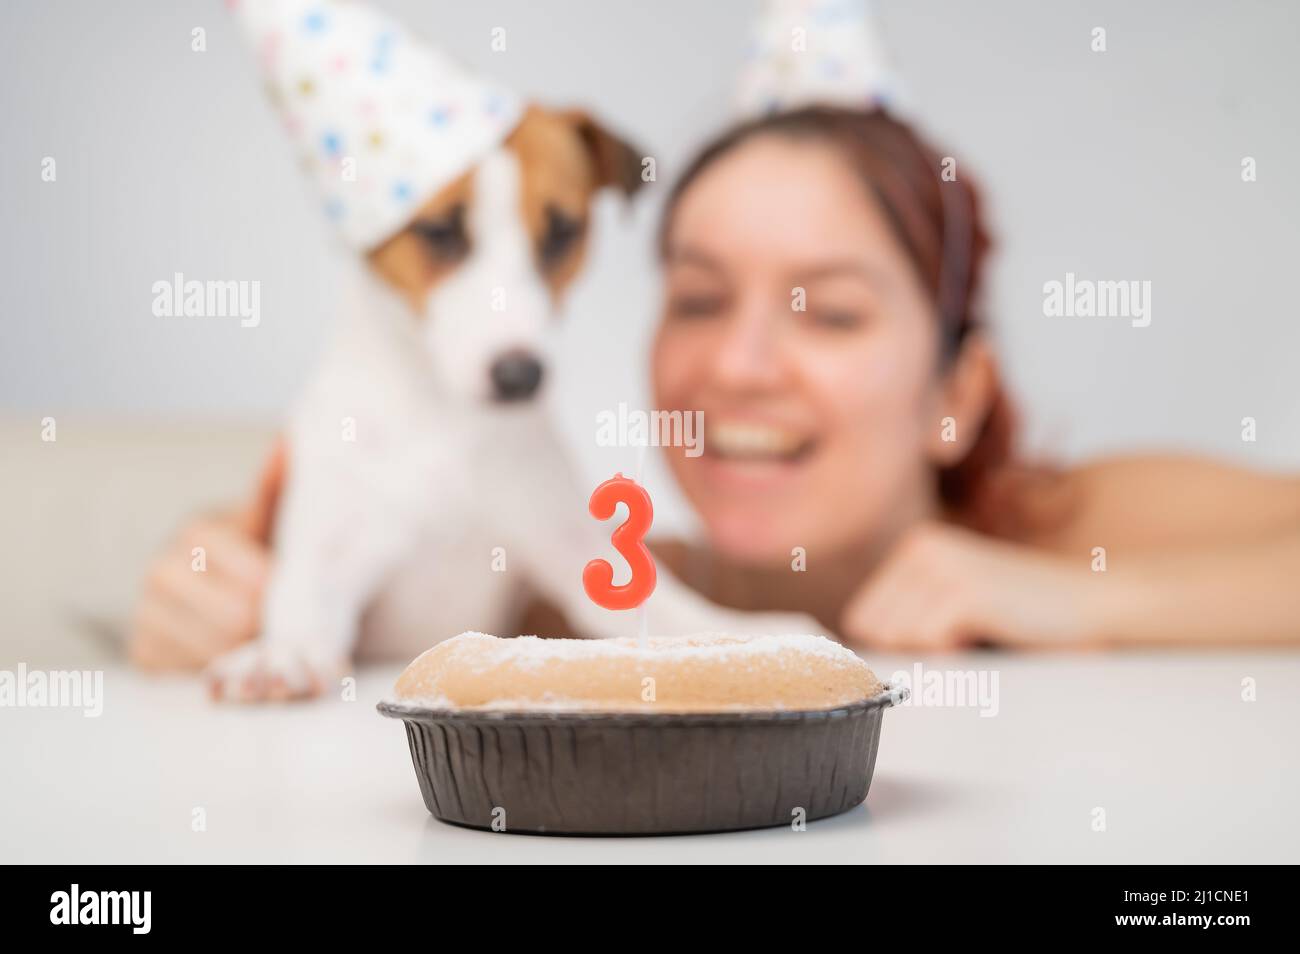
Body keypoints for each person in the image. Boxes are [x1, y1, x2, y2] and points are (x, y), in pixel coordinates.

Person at [130, 106, 1300, 670]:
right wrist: (224, 598)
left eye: (829, 312)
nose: (736, 365)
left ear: (959, 391)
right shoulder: (622, 594)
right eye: (694, 299)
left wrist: (1073, 600)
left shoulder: (1077, 523)